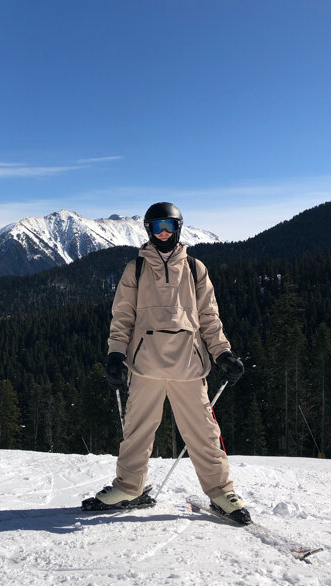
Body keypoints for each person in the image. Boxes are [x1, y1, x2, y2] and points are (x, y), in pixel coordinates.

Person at [93, 202, 249, 524]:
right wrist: (115, 356)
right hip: (145, 365)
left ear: (178, 228)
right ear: (148, 230)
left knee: (204, 433)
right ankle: (128, 488)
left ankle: (221, 491)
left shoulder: (195, 268)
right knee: (137, 430)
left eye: (168, 226)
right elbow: (122, 317)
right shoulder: (135, 269)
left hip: (188, 366)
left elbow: (209, 318)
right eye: (156, 227)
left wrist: (223, 353)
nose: (163, 232)